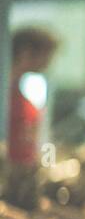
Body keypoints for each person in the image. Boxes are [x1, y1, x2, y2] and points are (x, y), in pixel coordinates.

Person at [7, 26, 59, 165]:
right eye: (45, 54)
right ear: (26, 53)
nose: (47, 63)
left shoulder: (18, 94)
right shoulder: (7, 97)